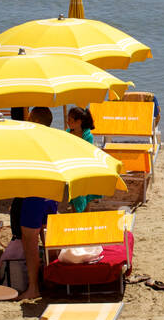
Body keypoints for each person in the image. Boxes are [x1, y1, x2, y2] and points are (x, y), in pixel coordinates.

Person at [16, 106, 58, 301]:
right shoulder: (53, 139)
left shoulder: (33, 140)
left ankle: (33, 287)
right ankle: (53, 279)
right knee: (47, 237)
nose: (27, 120)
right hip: (51, 193)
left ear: (37, 122)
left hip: (35, 193)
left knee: (30, 240)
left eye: (30, 118)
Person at [65, 106, 101, 214]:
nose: (67, 122)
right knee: (74, 197)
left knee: (86, 197)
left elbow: (86, 153)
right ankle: (75, 217)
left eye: (70, 120)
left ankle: (85, 219)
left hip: (85, 170)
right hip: (73, 168)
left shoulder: (87, 135)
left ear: (78, 122)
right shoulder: (68, 133)